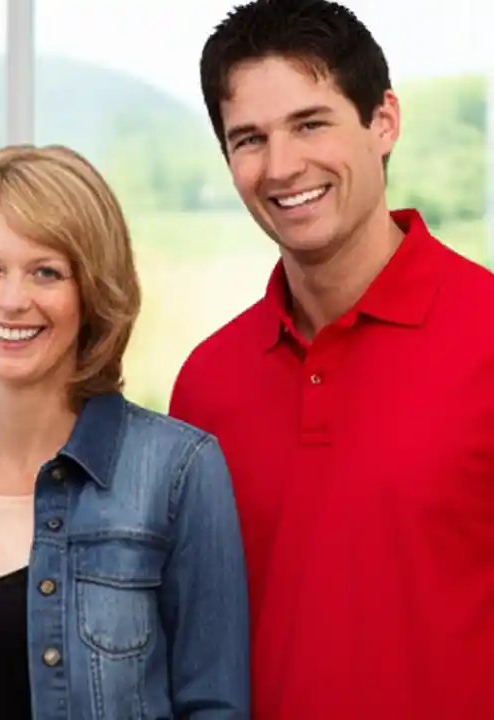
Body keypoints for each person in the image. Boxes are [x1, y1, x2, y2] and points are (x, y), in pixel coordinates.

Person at [0, 144, 251, 720]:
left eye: (47, 272)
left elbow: (214, 705)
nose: (12, 300)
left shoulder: (178, 472)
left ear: (94, 293)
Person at [169, 2, 494, 719]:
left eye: (310, 124)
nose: (283, 167)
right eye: (250, 139)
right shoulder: (207, 383)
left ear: (384, 121)